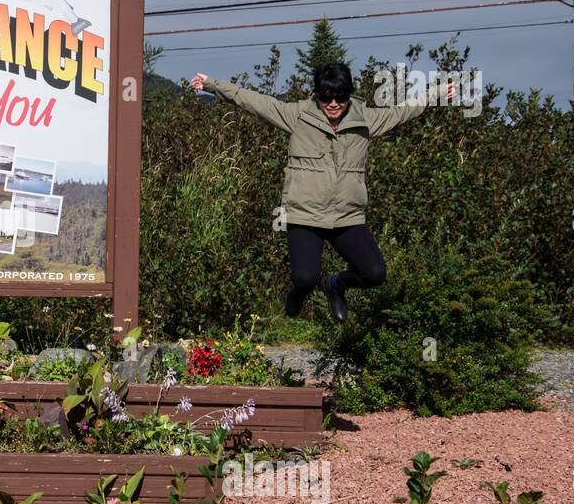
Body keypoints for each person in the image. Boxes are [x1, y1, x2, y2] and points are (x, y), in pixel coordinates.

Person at [189, 62, 451, 322]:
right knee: (305, 277)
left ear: (349, 95)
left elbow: (404, 111)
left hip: (346, 216)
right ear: (318, 94)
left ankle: (335, 285)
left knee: (375, 274)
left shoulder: (366, 120)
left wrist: (436, 94)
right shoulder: (298, 116)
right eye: (327, 97)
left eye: (341, 97)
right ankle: (300, 290)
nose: (334, 103)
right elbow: (255, 102)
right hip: (305, 216)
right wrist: (213, 85)